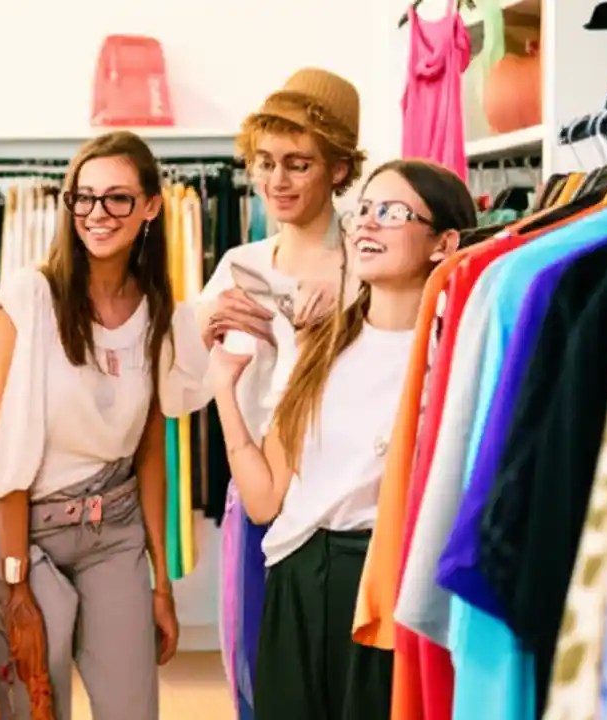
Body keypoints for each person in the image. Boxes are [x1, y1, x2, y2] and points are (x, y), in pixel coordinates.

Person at [0, 130, 209, 720]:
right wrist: (15, 584)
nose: (97, 213)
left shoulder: (156, 309)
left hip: (112, 532)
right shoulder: (29, 298)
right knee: (40, 707)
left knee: (133, 709)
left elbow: (150, 448)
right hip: (26, 533)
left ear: (150, 206)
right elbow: (6, 450)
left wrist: (162, 582)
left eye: (117, 198)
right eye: (84, 198)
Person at [208, 159, 476, 719]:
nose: (368, 225)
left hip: (385, 583)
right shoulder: (319, 349)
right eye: (365, 210)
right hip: (296, 580)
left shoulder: (450, 360)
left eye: (393, 212)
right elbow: (264, 500)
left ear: (443, 242)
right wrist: (224, 393)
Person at [190, 67, 366, 715]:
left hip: (349, 499)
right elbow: (184, 390)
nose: (276, 181)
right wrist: (203, 328)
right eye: (265, 163)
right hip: (262, 488)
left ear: (340, 170)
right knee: (265, 682)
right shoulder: (241, 265)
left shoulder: (369, 265)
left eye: (298, 164)